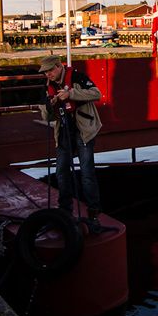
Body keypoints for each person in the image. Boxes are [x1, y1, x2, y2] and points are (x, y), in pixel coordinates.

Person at [40, 55, 107, 233]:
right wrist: (49, 105)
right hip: (63, 131)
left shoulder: (77, 77)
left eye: (50, 70)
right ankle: (65, 211)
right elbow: (47, 117)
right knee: (61, 171)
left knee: (86, 172)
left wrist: (71, 94)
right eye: (45, 72)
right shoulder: (49, 87)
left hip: (83, 130)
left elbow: (96, 93)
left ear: (59, 67)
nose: (48, 74)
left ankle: (93, 214)